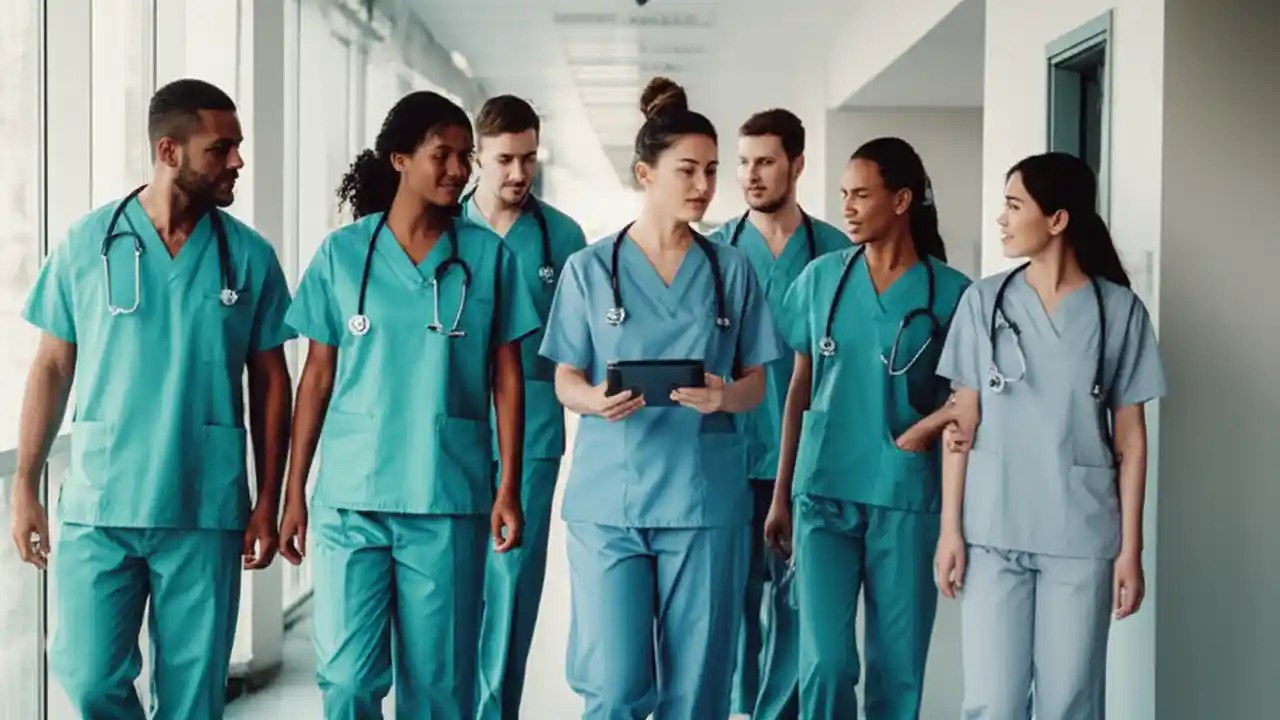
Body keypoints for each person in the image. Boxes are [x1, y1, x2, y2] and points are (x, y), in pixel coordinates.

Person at [9, 78, 293, 719]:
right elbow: (52, 366)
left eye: (237, 146)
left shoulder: (248, 257)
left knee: (194, 698)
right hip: (102, 503)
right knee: (87, 676)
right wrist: (24, 483)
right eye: (220, 149)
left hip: (203, 505)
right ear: (169, 151)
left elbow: (272, 381)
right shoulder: (87, 244)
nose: (237, 161)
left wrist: (268, 498)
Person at [277, 90, 540, 719]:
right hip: (351, 499)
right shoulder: (343, 254)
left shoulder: (487, 257)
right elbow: (316, 378)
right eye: (441, 155)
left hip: (445, 496)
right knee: (346, 681)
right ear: (399, 159)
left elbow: (507, 378)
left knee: (440, 689)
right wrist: (293, 491)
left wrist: (508, 486)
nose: (457, 170)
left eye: (465, 157)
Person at [539, 76, 785, 719]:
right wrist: (594, 400)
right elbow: (565, 377)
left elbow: (756, 382)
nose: (704, 185)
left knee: (698, 692)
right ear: (645, 174)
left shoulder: (731, 270)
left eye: (712, 170)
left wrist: (723, 397)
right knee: (615, 687)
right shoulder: (591, 269)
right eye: (688, 170)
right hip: (609, 506)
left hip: (703, 502)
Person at [933, 152, 1166, 720]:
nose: (1002, 219)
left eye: (1014, 206)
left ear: (1057, 219)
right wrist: (950, 530)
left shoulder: (1118, 312)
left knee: (1070, 704)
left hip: (1079, 535)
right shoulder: (982, 302)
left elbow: (1131, 442)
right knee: (993, 704)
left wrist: (1130, 551)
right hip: (993, 531)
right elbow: (960, 424)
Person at [766, 137, 972, 719]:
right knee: (825, 664)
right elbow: (799, 389)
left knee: (897, 671)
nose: (847, 208)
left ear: (902, 200)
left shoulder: (952, 294)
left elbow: (969, 400)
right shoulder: (822, 279)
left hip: (903, 495)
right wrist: (781, 493)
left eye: (861, 195)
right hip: (823, 493)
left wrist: (926, 428)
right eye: (843, 195)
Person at [708, 107, 849, 720]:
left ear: (797, 164)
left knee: (797, 605)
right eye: (743, 163)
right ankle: (740, 710)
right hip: (729, 455)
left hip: (805, 462)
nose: (751, 175)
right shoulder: (715, 251)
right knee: (730, 603)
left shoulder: (837, 253)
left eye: (765, 162)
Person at [460, 94, 588, 720]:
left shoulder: (562, 237)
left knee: (510, 579)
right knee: (448, 581)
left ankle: (495, 711)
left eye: (529, 159)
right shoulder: (445, 225)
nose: (519, 173)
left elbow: (579, 345)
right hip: (453, 424)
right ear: (477, 158)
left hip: (532, 430)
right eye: (505, 159)